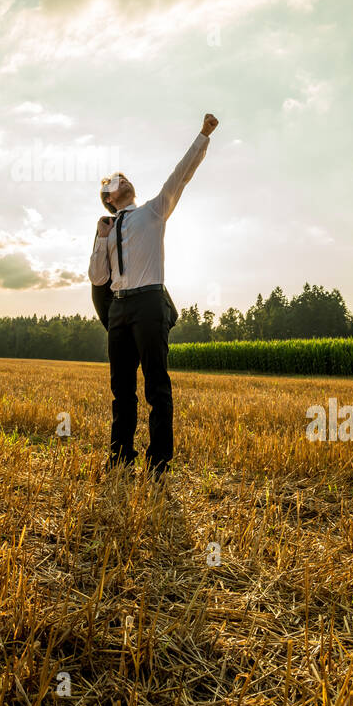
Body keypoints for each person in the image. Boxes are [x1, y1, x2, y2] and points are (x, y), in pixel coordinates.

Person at [88, 113, 219, 480]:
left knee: (157, 386)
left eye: (124, 176)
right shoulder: (107, 229)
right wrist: (100, 239)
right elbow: (98, 277)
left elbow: (182, 174)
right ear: (109, 199)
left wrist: (203, 135)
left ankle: (159, 463)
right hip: (119, 310)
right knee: (121, 391)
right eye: (116, 181)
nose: (123, 180)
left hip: (148, 304)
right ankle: (120, 458)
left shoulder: (154, 211)